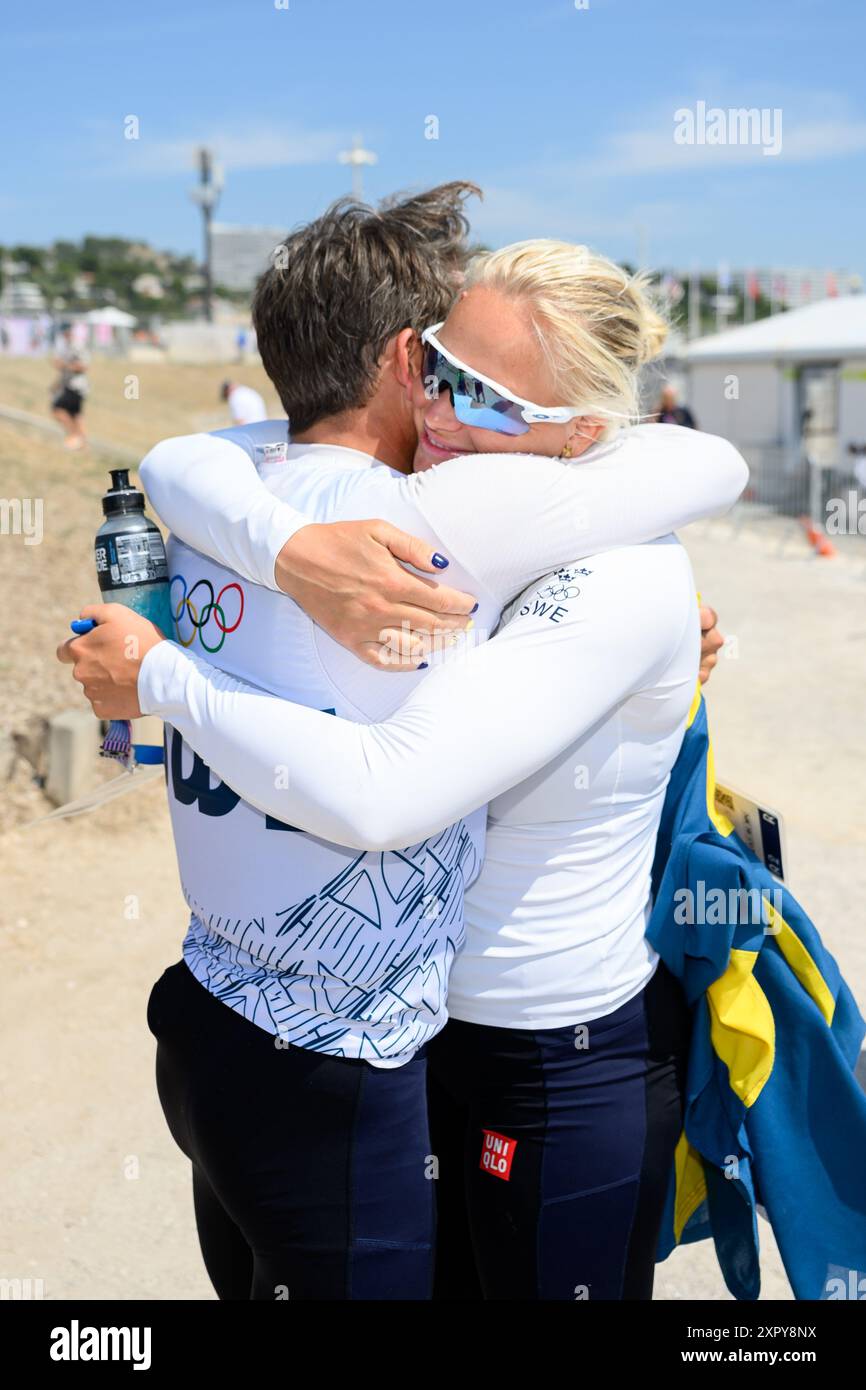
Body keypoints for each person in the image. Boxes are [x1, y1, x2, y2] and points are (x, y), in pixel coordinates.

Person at [59, 204, 746, 1299]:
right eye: (434, 368)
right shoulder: (418, 508)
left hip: (548, 1055)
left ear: (580, 434)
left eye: (482, 395)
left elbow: (706, 461)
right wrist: (286, 551)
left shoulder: (572, 548)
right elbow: (184, 456)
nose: (437, 408)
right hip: (418, 1040)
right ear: (402, 354)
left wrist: (163, 674)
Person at [51, 323, 89, 450]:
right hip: (70, 385)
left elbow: (83, 366)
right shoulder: (67, 346)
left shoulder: (77, 346)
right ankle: (82, 443)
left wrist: (65, 365)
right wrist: (57, 384)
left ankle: (74, 436)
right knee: (76, 415)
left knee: (57, 409)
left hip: (76, 386)